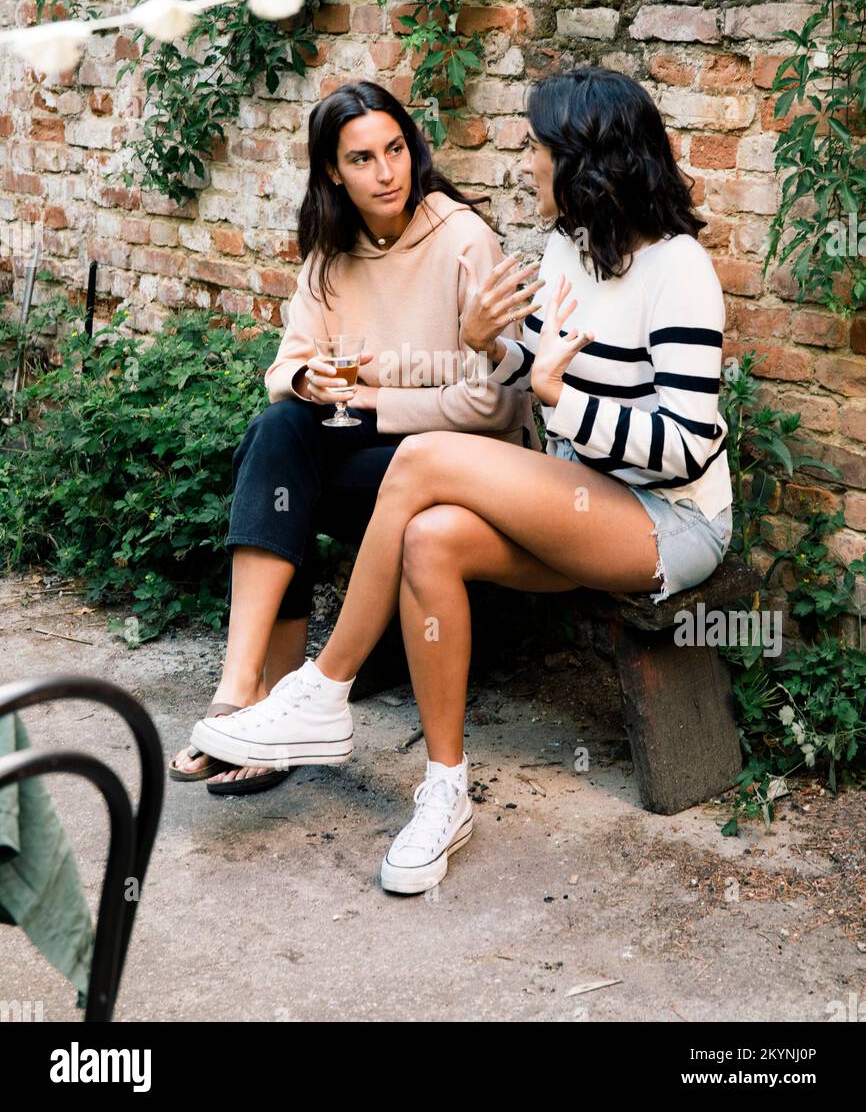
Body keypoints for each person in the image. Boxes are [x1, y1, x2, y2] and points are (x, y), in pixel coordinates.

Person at [191, 66, 734, 885]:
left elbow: (686, 447)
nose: (524, 164)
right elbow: (534, 367)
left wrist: (558, 400)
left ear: (582, 159)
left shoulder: (680, 270)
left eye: (535, 147)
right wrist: (496, 347)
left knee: (421, 459)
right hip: (575, 496)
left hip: (668, 522)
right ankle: (444, 793)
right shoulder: (568, 249)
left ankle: (322, 689)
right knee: (430, 535)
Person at [170, 79, 538, 794]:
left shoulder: (462, 238)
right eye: (363, 159)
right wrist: (307, 384)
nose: (387, 172)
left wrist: (373, 398)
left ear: (413, 148)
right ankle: (246, 692)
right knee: (278, 433)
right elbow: (288, 364)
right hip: (366, 460)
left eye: (396, 150)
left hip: (462, 469)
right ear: (333, 171)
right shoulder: (331, 249)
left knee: (278, 469)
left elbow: (499, 405)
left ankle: (274, 712)